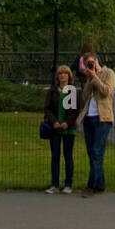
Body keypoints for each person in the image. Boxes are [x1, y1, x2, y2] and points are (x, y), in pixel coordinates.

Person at [77, 54, 115, 196]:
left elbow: (106, 91)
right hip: (89, 117)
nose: (89, 66)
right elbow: (85, 95)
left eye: (91, 63)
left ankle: (91, 186)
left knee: (96, 152)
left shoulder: (109, 73)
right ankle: (100, 184)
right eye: (87, 64)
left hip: (103, 117)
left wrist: (95, 77)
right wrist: (89, 78)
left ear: (96, 61)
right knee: (92, 153)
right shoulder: (89, 77)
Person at [43, 64, 79, 193]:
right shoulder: (53, 91)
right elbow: (47, 108)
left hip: (68, 128)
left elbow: (75, 110)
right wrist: (54, 122)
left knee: (68, 155)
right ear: (57, 76)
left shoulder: (72, 90)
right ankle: (55, 184)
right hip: (55, 127)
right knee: (55, 156)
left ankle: (68, 184)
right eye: (60, 73)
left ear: (69, 76)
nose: (63, 75)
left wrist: (67, 123)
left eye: (65, 73)